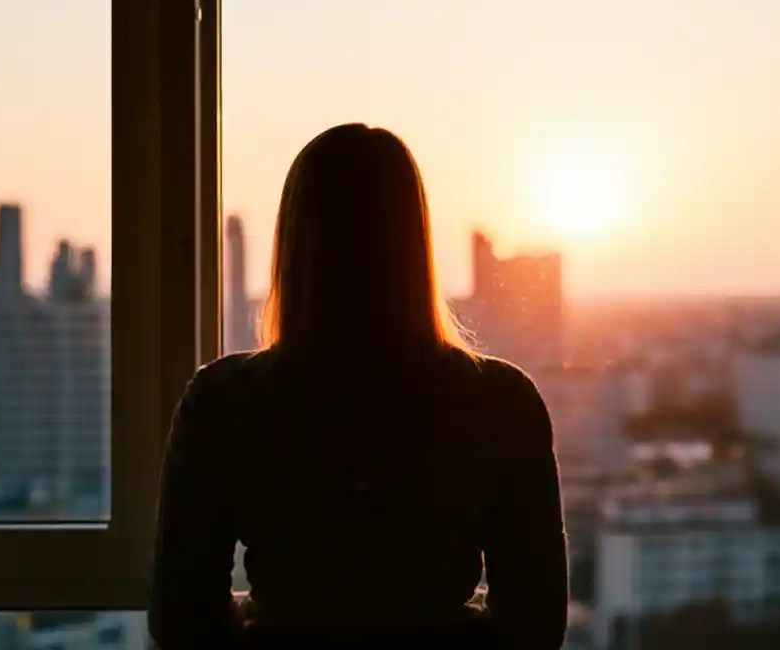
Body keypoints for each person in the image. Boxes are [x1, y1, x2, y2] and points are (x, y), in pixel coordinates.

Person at [148, 124, 567, 649]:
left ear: (294, 244)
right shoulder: (501, 402)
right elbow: (536, 625)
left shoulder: (223, 401)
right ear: (415, 243)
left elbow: (181, 620)